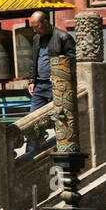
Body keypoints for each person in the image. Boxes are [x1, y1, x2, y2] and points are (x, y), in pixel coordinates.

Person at [26, 11, 74, 153]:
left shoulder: (63, 37)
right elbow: (34, 60)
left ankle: (65, 149)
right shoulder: (36, 38)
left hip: (57, 86)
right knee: (32, 121)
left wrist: (60, 72)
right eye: (33, 27)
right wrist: (31, 80)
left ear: (46, 23)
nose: (35, 30)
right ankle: (30, 153)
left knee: (60, 119)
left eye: (36, 26)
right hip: (39, 86)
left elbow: (73, 58)